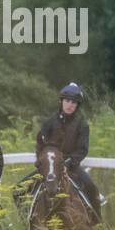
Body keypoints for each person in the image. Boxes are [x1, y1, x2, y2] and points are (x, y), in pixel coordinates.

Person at [27, 82, 103, 222]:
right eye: (67, 101)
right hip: (49, 166)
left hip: (71, 165)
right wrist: (40, 161)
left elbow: (82, 149)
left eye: (74, 102)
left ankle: (97, 223)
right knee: (19, 189)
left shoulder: (82, 124)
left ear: (77, 105)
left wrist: (68, 162)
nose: (70, 105)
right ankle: (27, 223)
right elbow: (41, 146)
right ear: (61, 102)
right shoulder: (49, 122)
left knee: (92, 188)